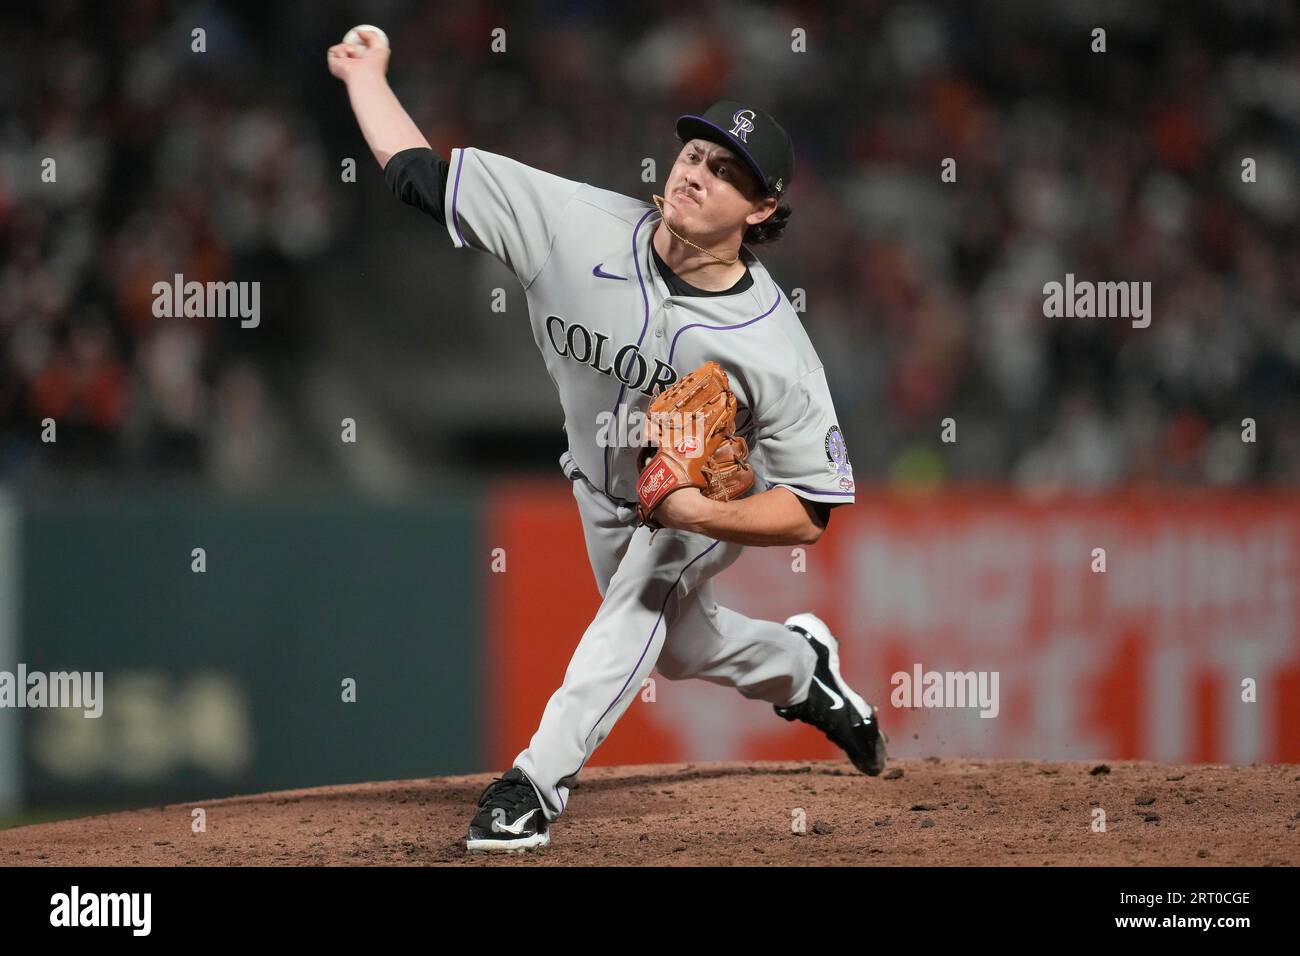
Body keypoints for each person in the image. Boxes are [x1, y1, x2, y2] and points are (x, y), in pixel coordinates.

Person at [328, 30, 886, 853]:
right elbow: (419, 178)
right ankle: (803, 670)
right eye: (696, 153)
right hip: (598, 488)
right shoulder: (573, 224)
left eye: (728, 171)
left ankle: (532, 785)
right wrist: (366, 77)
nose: (697, 172)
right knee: (683, 650)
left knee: (639, 601)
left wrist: (696, 510)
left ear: (763, 210)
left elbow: (809, 512)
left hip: (700, 504)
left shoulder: (774, 349)